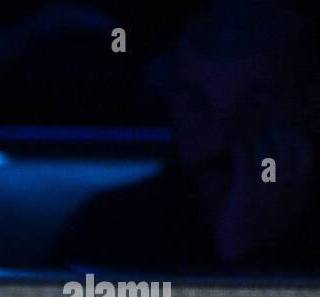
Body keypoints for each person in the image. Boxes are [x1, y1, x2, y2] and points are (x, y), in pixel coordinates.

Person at [50, 0, 320, 274]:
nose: (220, 137)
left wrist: (255, 254)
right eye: (196, 105)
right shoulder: (106, 229)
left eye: (254, 105)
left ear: (310, 105)